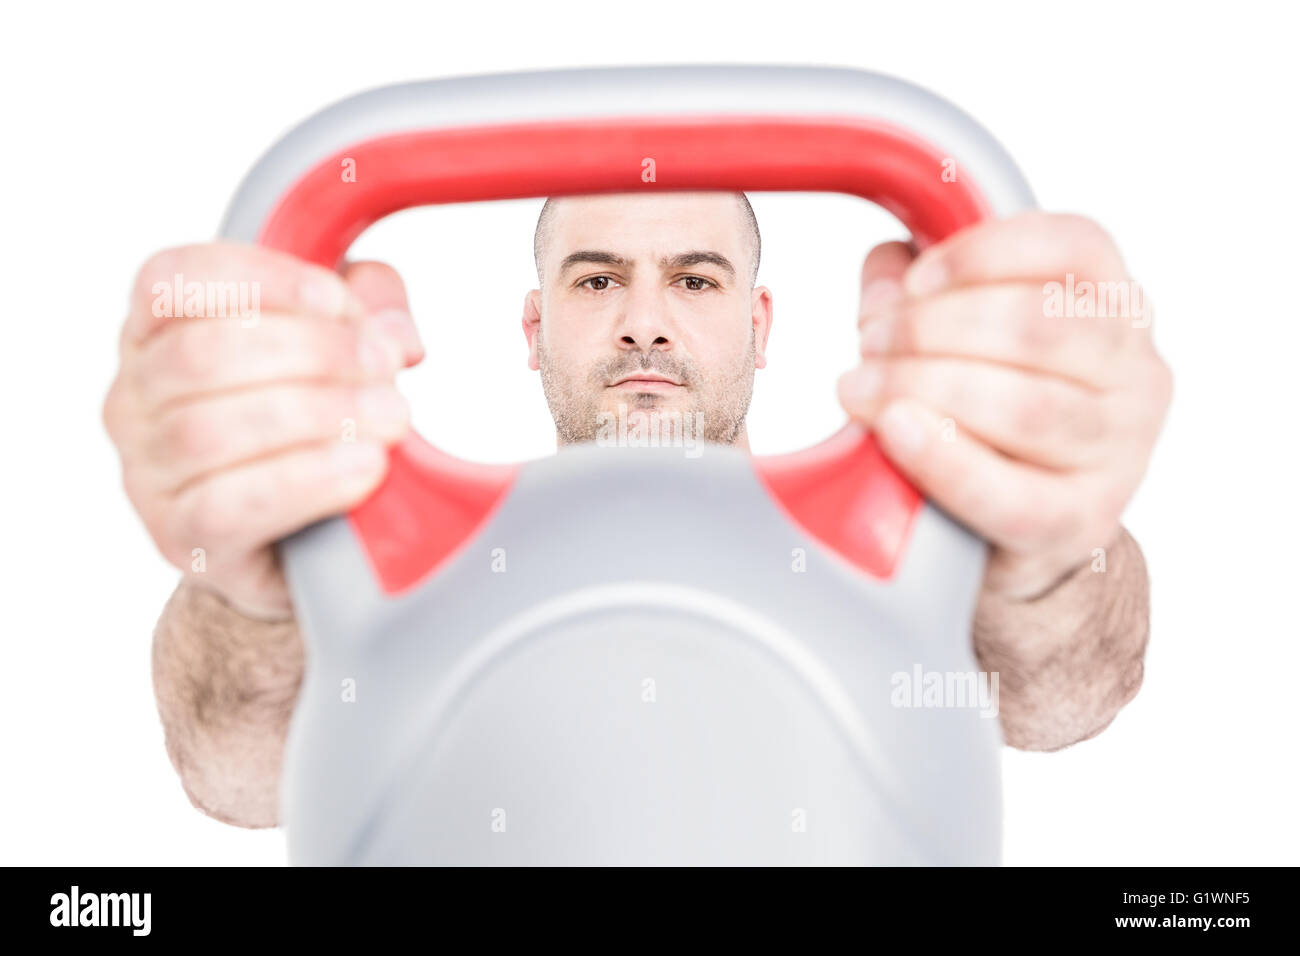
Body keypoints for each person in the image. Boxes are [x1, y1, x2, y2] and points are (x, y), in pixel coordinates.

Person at [102, 191, 1173, 829]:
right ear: (534, 325)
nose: (644, 325)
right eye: (597, 280)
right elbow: (230, 774)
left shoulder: (903, 542)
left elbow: (1071, 695)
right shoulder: (396, 571)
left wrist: (1046, 552)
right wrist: (248, 589)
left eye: (695, 282)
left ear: (759, 322)